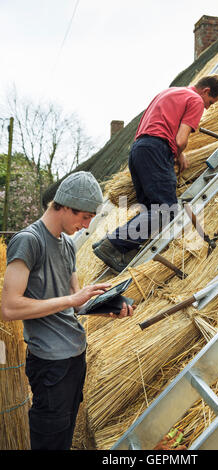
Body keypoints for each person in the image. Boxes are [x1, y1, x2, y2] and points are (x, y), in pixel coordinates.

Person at [1, 171, 134, 450]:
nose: (86, 226)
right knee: (50, 438)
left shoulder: (67, 246)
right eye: (84, 217)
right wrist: (72, 302)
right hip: (50, 363)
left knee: (65, 433)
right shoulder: (29, 241)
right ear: (63, 205)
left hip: (75, 357)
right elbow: (10, 307)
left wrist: (105, 306)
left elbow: (75, 301)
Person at [93, 75, 218, 272]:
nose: (207, 108)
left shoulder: (170, 92)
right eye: (210, 102)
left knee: (150, 210)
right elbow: (180, 140)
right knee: (167, 210)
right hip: (157, 149)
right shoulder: (195, 100)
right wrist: (179, 154)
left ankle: (117, 248)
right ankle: (112, 245)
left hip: (139, 150)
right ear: (206, 91)